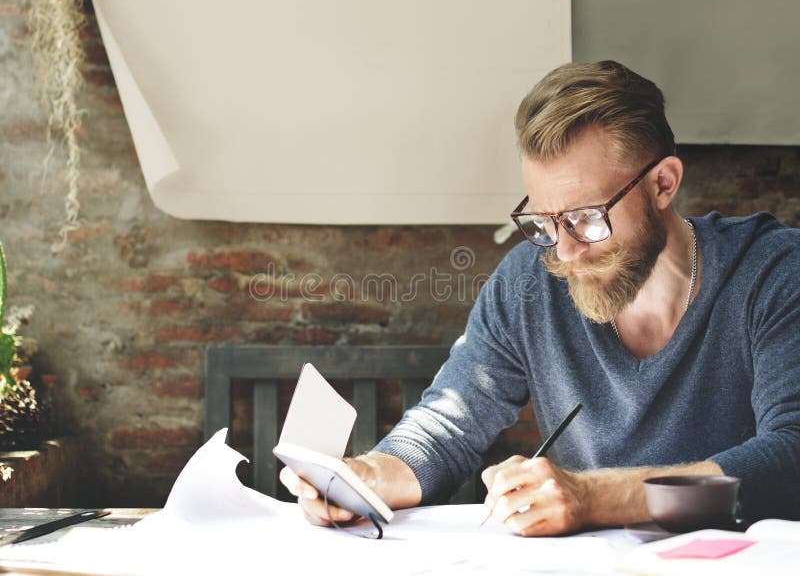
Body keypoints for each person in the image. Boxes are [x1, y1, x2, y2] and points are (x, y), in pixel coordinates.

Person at [281, 60, 800, 535]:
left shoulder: (773, 273)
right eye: (544, 221)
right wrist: (370, 475)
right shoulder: (528, 283)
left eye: (587, 217)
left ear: (663, 184)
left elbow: (790, 455)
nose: (566, 252)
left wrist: (595, 496)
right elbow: (450, 421)